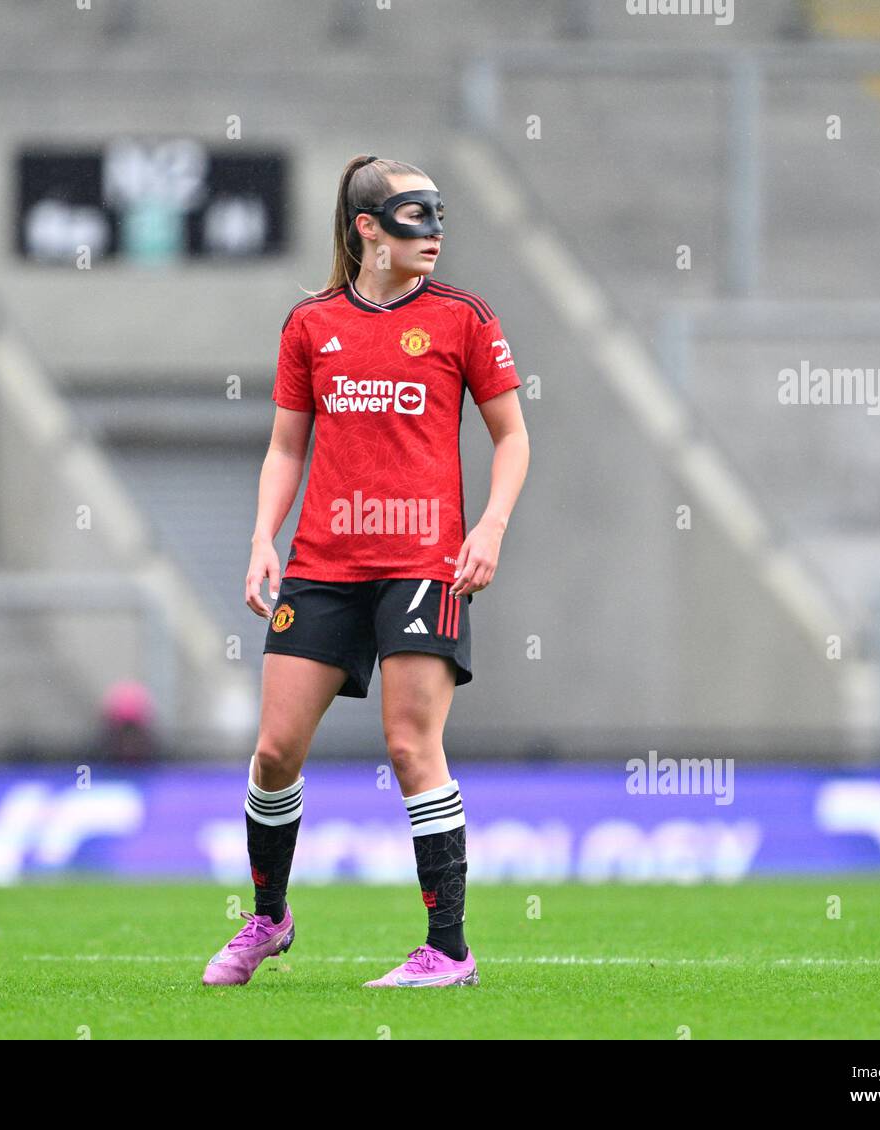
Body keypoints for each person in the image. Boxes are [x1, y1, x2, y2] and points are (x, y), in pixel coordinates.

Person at [202, 154, 530, 988]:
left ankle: (449, 951)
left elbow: (512, 436)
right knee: (274, 752)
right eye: (417, 214)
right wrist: (262, 538)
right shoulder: (311, 324)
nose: (435, 231)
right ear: (367, 229)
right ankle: (269, 918)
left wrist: (490, 527)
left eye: (439, 213)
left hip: (424, 563)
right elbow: (287, 447)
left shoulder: (464, 319)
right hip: (324, 563)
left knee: (411, 746)